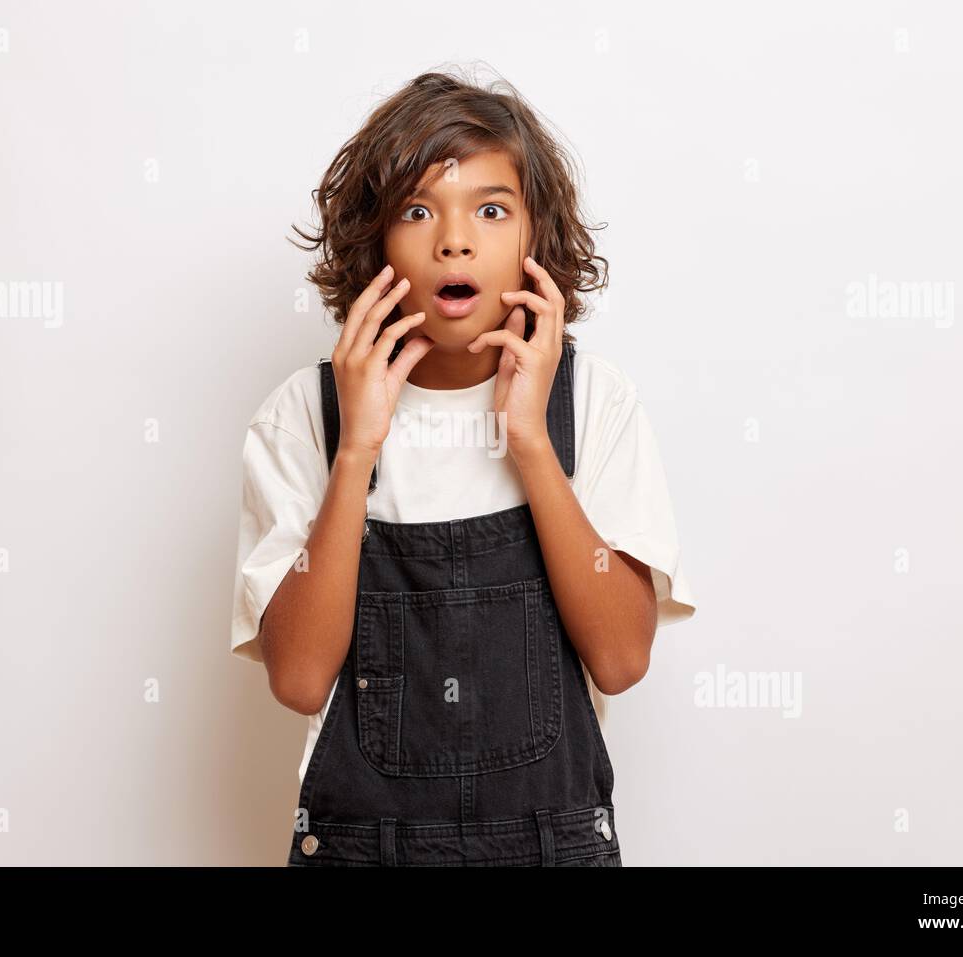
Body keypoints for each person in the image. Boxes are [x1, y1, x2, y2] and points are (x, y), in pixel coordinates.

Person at [231, 68, 697, 866]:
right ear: (373, 245)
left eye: (491, 209)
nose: (455, 238)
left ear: (534, 238)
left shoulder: (592, 404)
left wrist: (530, 444)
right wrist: (356, 455)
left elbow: (622, 659)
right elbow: (301, 679)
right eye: (417, 210)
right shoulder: (303, 417)